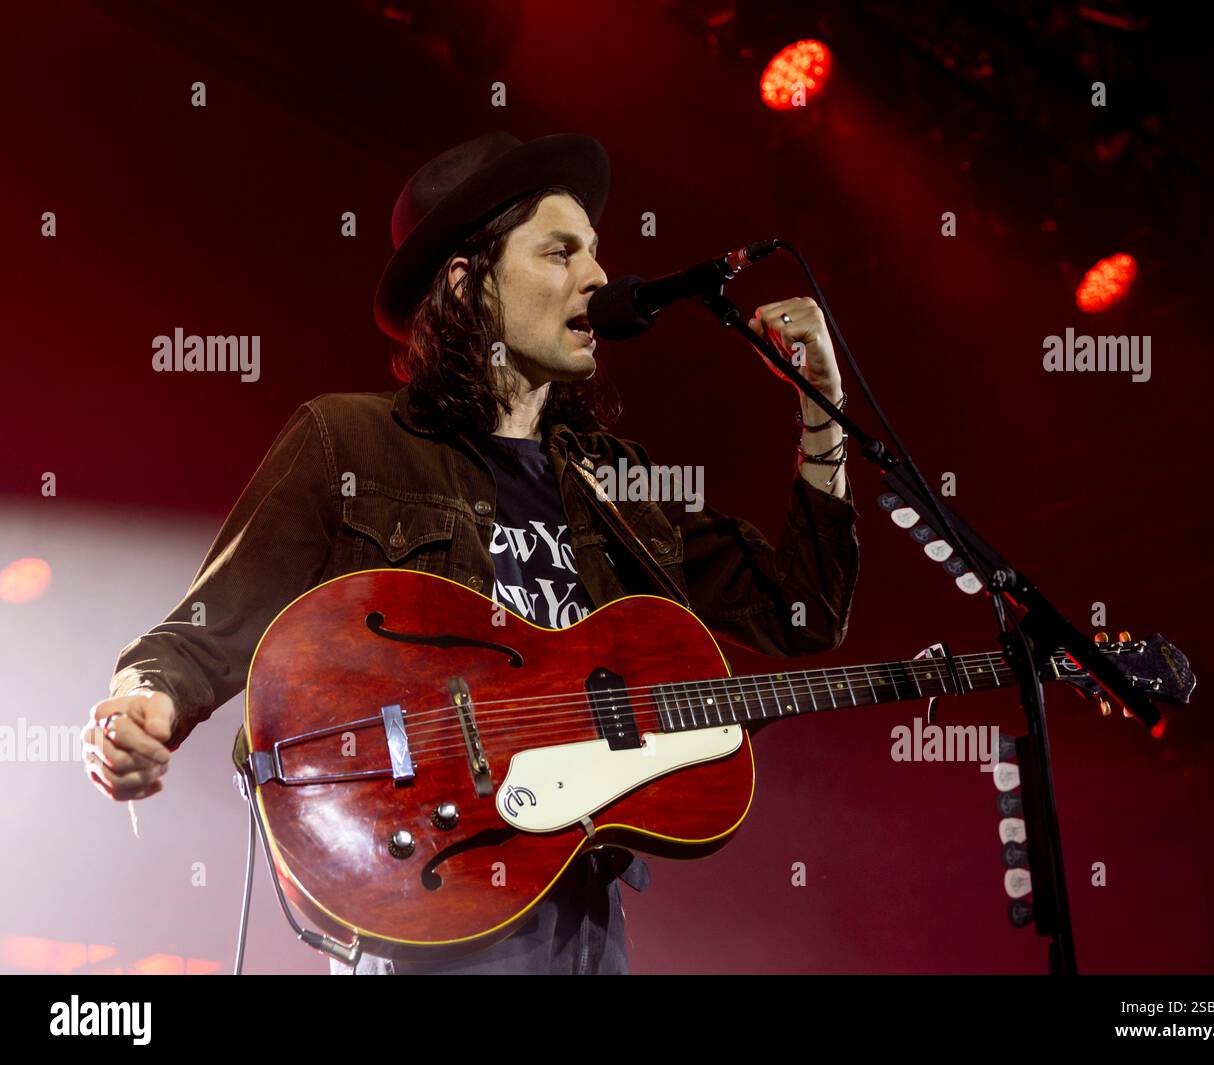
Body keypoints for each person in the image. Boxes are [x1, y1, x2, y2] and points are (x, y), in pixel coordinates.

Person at [82, 131, 861, 974]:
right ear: (468, 283)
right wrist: (141, 706)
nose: (598, 278)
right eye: (560, 252)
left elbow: (804, 613)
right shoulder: (350, 441)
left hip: (584, 903)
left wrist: (822, 411)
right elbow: (199, 633)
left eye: (595, 254)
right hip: (433, 892)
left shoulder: (616, 479)